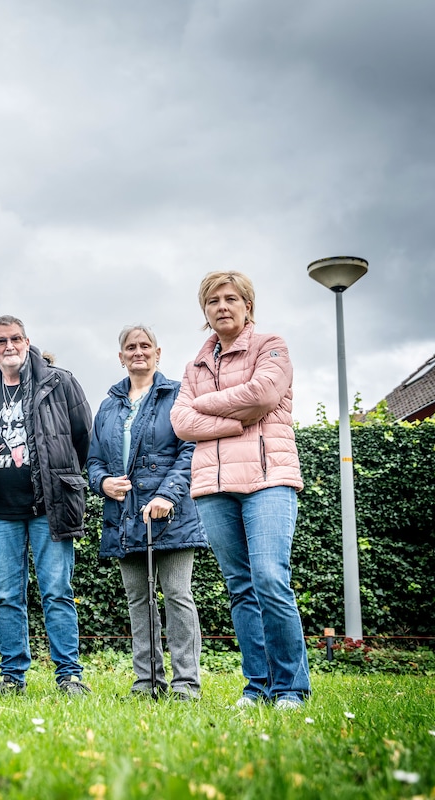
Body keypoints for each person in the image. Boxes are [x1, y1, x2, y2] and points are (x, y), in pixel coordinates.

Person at [170, 271, 309, 710]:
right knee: (241, 587)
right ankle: (258, 687)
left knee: (270, 578)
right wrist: (236, 420)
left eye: (231, 298)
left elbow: (264, 394)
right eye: (213, 301)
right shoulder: (195, 365)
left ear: (248, 305)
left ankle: (291, 688)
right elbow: (180, 422)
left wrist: (206, 407)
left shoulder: (272, 347)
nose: (222, 306)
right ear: (204, 311)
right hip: (212, 486)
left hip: (269, 479)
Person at [0, 315, 93, 695]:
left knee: (57, 591)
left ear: (27, 341)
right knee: (6, 595)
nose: (9, 346)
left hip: (47, 509)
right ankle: (12, 677)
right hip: (0, 513)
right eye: (1, 341)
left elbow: (82, 437)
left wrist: (61, 480)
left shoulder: (59, 382)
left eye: (15, 339)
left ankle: (69, 676)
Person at [86, 325, 207, 700]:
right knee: (138, 599)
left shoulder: (179, 395)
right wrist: (103, 482)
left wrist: (168, 495)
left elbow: (191, 449)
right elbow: (93, 460)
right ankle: (147, 682)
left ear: (158, 352)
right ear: (120, 356)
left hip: (171, 514)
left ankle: (186, 684)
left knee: (176, 593)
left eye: (144, 346)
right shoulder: (108, 405)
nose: (137, 352)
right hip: (124, 516)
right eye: (129, 347)